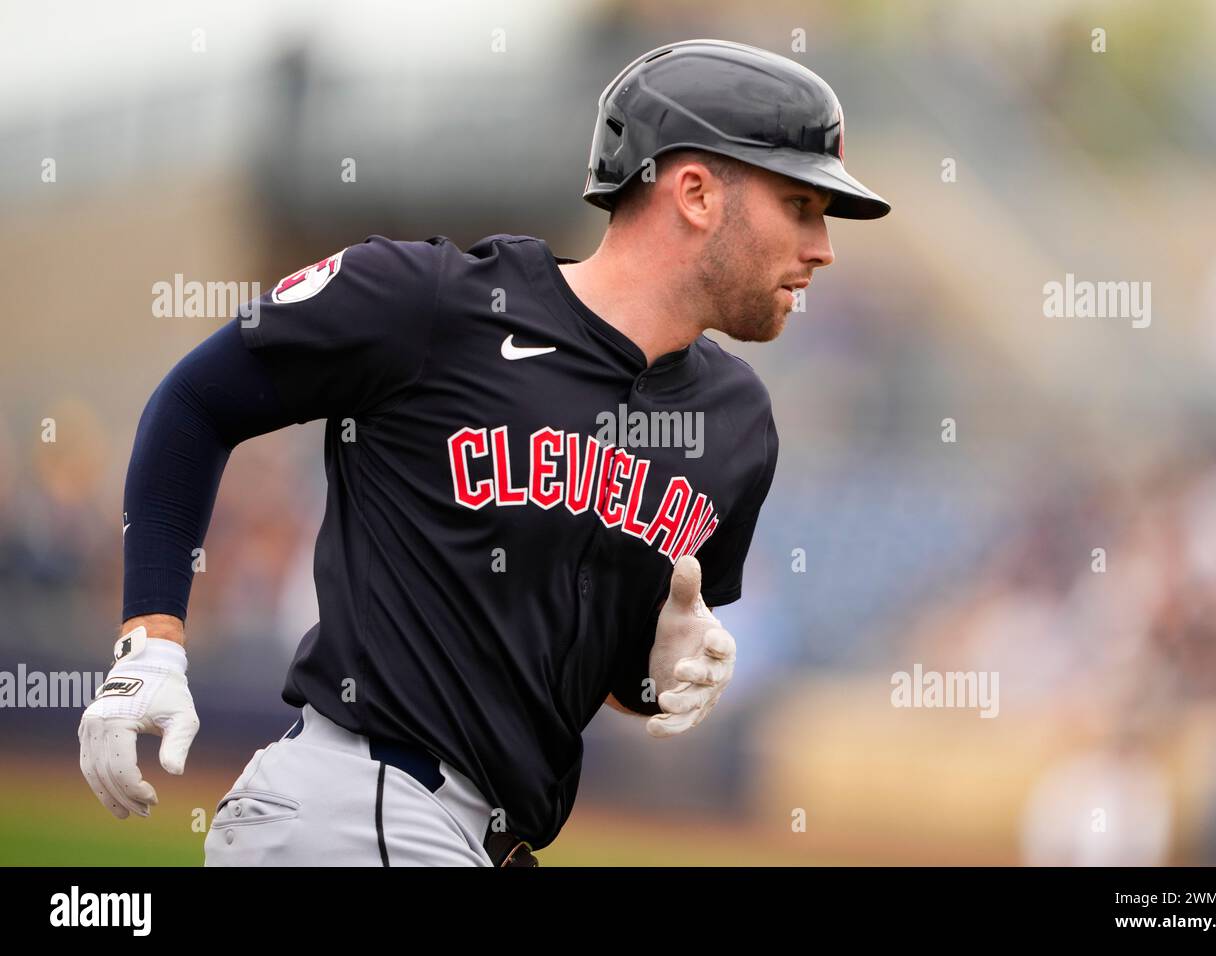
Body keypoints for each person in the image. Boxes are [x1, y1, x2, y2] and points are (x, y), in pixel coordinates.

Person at [76, 38, 890, 866]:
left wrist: (659, 670)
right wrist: (152, 639)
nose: (822, 245)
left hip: (482, 838)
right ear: (694, 193)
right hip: (360, 808)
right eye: (801, 205)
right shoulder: (429, 305)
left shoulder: (736, 421)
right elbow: (195, 403)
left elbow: (614, 684)